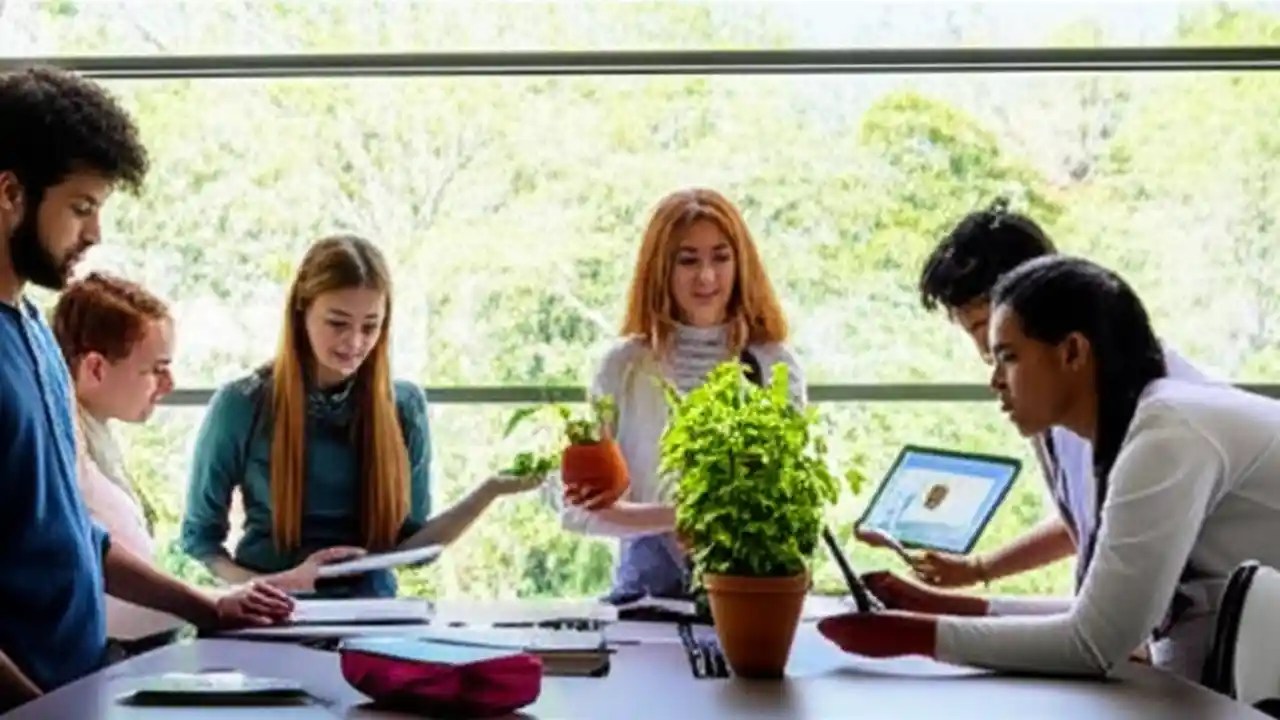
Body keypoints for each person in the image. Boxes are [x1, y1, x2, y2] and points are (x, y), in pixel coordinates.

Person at [820, 255, 1280, 681]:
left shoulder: (1168, 433)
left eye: (1009, 357)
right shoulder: (1139, 426)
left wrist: (913, 636)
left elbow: (1096, 642)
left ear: (1073, 353)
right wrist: (951, 608)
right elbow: (1105, 616)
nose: (995, 381)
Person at [0, 66, 291, 711]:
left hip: (77, 687)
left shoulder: (36, 335)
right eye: (81, 207)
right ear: (9, 194)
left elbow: (73, 533)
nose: (96, 233)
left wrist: (209, 606)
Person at [862, 200, 1207, 595]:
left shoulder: (1140, 406)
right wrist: (976, 569)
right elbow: (1084, 522)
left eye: (983, 326)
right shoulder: (1055, 392)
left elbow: (1099, 629)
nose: (985, 352)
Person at [180, 235, 541, 598]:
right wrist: (271, 586)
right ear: (301, 311)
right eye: (338, 323)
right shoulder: (241, 404)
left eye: (370, 326)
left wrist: (490, 490)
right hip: (273, 612)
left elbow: (412, 551)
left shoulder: (403, 405)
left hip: (373, 614)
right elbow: (201, 540)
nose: (354, 343)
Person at [557, 187, 803, 603]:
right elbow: (579, 511)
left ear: (741, 264)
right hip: (645, 594)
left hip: (747, 591)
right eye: (687, 261)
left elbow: (786, 505)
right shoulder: (623, 365)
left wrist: (655, 518)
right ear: (660, 270)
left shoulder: (774, 365)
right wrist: (680, 519)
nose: (706, 277)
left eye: (721, 258)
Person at [51, 272, 185, 652]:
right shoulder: (66, 448)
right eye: (155, 369)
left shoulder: (95, 437)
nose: (170, 383)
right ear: (95, 369)